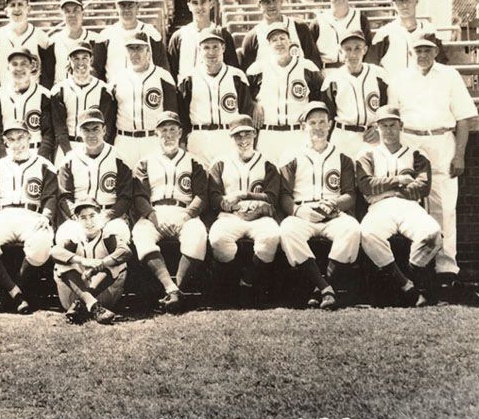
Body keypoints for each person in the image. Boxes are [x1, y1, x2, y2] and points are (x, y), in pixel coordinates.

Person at [387, 34, 479, 302]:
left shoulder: (450, 75)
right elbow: (392, 118)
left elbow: (463, 119)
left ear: (436, 51)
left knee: (444, 207)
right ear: (411, 52)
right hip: (410, 141)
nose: (423, 55)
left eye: (427, 50)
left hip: (441, 140)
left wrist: (459, 155)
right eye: (418, 50)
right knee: (407, 204)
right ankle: (414, 270)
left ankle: (446, 271)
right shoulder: (399, 79)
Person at [278, 102, 361, 310]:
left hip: (333, 213)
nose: (318, 127)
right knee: (287, 230)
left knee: (352, 229)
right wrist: (299, 211)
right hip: (303, 212)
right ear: (303, 126)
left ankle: (321, 288)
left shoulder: (342, 157)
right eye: (312, 123)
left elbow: (350, 194)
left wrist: (335, 203)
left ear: (330, 124)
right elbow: (284, 195)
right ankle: (325, 287)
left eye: (322, 122)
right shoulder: (291, 155)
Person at [356, 106, 442, 307]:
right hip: (380, 207)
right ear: (377, 128)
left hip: (409, 207)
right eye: (384, 126)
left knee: (433, 233)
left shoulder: (416, 153)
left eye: (392, 125)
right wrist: (399, 181)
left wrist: (386, 188)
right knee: (368, 234)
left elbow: (423, 187)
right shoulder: (367, 154)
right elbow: (366, 186)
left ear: (401, 126)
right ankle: (405, 285)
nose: (388, 130)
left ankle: (412, 271)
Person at [0, 120, 58, 315]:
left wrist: (46, 216)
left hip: (32, 214)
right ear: (5, 142)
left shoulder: (44, 165)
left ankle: (10, 293)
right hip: (4, 215)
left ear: (29, 137)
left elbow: (51, 197)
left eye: (21, 138)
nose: (17, 144)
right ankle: (16, 294)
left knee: (42, 242)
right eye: (11, 139)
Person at [132, 111, 208, 314]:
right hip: (155, 211)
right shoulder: (145, 161)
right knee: (141, 233)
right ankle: (171, 288)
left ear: (180, 132)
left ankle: (176, 290)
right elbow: (139, 196)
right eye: (163, 130)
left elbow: (202, 195)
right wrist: (152, 216)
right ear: (156, 134)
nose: (168, 135)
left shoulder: (193, 161)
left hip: (184, 211)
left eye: (172, 129)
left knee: (198, 234)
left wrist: (187, 215)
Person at [207, 115, 281, 306]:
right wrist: (225, 203)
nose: (243, 140)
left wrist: (244, 196)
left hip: (260, 217)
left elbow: (272, 197)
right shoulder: (220, 163)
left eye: (247, 134)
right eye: (238, 136)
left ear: (255, 134)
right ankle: (234, 280)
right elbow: (213, 195)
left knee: (271, 237)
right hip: (230, 216)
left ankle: (247, 281)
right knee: (218, 239)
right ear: (231, 138)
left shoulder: (267, 163)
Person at [246, 22, 323, 166]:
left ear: (290, 41)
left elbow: (321, 99)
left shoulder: (307, 66)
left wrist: (310, 110)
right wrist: (253, 104)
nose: (279, 43)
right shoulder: (257, 69)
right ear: (268, 44)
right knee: (266, 176)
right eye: (274, 40)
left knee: (298, 176)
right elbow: (243, 98)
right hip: (268, 133)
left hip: (297, 132)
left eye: (282, 38)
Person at [178, 27, 253, 168]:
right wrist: (183, 141)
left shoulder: (237, 76)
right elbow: (182, 114)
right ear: (199, 50)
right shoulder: (189, 78)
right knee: (200, 179)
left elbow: (246, 111)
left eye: (215, 47)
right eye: (206, 47)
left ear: (223, 48)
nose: (211, 52)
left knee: (230, 179)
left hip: (229, 137)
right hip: (199, 137)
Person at [56, 108, 133, 245]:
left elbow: (125, 196)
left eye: (95, 129)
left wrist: (108, 216)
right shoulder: (69, 160)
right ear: (79, 132)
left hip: (110, 215)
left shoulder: (119, 158)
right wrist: (77, 218)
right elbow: (64, 197)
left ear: (104, 130)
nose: (91, 134)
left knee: (118, 235)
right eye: (86, 130)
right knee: (65, 238)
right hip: (79, 217)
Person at [51, 199, 130, 325]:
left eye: (92, 216)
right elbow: (55, 252)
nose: (89, 222)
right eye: (83, 218)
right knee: (61, 262)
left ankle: (84, 304)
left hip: (103, 296)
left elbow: (125, 251)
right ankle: (93, 306)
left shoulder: (107, 235)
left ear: (100, 216)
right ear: (77, 220)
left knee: (117, 262)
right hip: (72, 296)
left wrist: (101, 264)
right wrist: (83, 261)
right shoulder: (74, 237)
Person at [109, 30, 179, 169]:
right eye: (131, 48)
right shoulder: (117, 78)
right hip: (124, 140)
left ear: (148, 51)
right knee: (124, 180)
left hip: (153, 140)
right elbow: (110, 115)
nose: (135, 53)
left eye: (139, 48)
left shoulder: (162, 76)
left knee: (155, 179)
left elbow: (172, 113)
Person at [321, 30, 389, 160]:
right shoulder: (332, 80)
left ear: (365, 50)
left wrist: (379, 130)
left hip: (372, 136)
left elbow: (388, 109)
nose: (353, 54)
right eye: (348, 49)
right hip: (343, 137)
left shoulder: (379, 75)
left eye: (357, 48)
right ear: (340, 52)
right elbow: (328, 116)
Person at [50, 40, 115, 164]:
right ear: (69, 60)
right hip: (67, 146)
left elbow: (106, 128)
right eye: (76, 58)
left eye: (85, 58)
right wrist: (69, 154)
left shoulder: (103, 90)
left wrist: (97, 151)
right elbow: (59, 129)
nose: (81, 63)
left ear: (91, 60)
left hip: (95, 147)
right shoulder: (59, 90)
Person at [0, 46, 56, 163]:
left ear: (32, 66)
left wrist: (40, 160)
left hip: (36, 151)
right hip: (8, 155)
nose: (19, 68)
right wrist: (3, 161)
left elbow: (49, 132)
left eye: (23, 64)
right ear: (8, 68)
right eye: (14, 64)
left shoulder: (44, 95)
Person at [93, 0, 169, 82]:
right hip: (115, 89)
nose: (126, 9)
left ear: (138, 7)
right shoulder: (105, 35)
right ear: (116, 7)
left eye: (130, 5)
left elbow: (163, 70)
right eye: (122, 5)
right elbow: (96, 71)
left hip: (145, 88)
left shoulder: (151, 33)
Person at [239, 0, 321, 71]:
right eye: (266, 1)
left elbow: (315, 63)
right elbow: (247, 73)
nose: (271, 5)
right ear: (259, 5)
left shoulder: (299, 27)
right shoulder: (252, 37)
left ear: (281, 0)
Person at [0, 0, 53, 91]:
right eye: (12, 5)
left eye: (20, 4)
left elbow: (48, 75)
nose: (16, 9)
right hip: (5, 96)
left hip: (34, 96)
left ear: (28, 9)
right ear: (6, 11)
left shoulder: (41, 38)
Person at [167, 0, 239, 80]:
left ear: (211, 3)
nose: (200, 7)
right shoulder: (179, 36)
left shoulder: (222, 35)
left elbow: (233, 71)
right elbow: (171, 73)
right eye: (195, 3)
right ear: (189, 6)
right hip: (187, 87)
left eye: (203, 2)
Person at [369, 0, 445, 75]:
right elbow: (371, 66)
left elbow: (442, 65)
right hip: (393, 83)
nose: (404, 5)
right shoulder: (384, 33)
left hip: (423, 83)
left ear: (416, 1)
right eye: (400, 1)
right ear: (393, 4)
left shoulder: (429, 30)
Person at [310, 0, 373, 75]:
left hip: (354, 74)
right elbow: (310, 55)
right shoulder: (318, 22)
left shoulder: (360, 19)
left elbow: (368, 52)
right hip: (325, 74)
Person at [48, 0, 99, 86]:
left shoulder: (96, 40)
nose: (72, 15)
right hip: (61, 91)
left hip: (89, 90)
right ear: (62, 14)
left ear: (83, 13)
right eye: (67, 11)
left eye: (76, 10)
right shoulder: (53, 41)